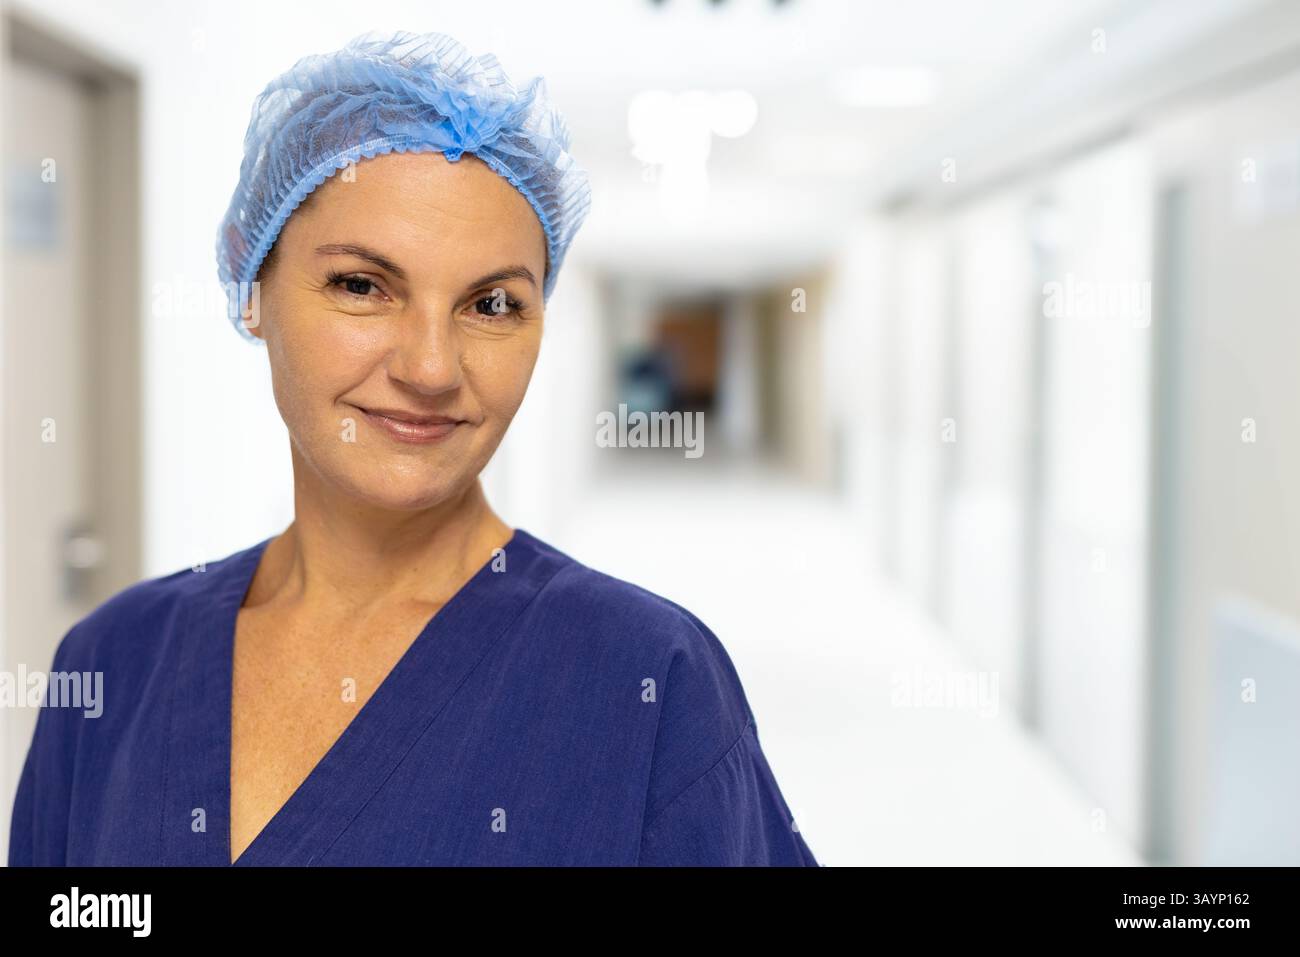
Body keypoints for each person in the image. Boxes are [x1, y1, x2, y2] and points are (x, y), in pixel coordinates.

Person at [8, 30, 818, 867]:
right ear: (253, 289)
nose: (432, 368)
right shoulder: (113, 664)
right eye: (363, 285)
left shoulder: (647, 680)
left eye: (492, 303)